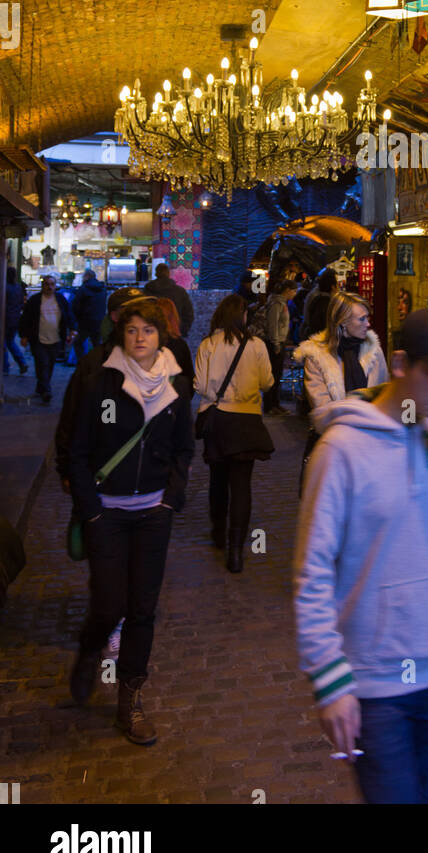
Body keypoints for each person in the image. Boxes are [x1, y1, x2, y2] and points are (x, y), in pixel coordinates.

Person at [293, 309, 428, 804]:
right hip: (375, 684)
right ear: (402, 364)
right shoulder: (342, 449)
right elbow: (312, 571)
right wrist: (330, 679)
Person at [67, 297, 193, 744]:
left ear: (163, 336)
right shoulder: (101, 380)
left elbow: (183, 447)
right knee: (109, 605)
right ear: (121, 333)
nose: (139, 338)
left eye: (149, 331)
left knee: (142, 610)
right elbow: (76, 450)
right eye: (132, 329)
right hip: (109, 513)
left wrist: (170, 498)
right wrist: (92, 510)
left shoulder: (175, 384)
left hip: (153, 515)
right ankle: (89, 650)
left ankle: (130, 702)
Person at [194, 294, 275, 572]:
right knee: (242, 486)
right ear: (241, 317)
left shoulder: (208, 345)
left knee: (218, 480)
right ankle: (236, 552)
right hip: (247, 420)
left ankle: (218, 532)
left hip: (218, 422)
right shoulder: (257, 346)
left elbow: (201, 387)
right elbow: (267, 382)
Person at [294, 292, 388, 490]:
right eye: (362, 319)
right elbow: (323, 410)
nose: (368, 324)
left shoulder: (374, 350)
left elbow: (385, 396)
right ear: (342, 322)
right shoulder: (317, 356)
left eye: (367, 318)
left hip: (371, 449)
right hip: (335, 451)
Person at [55, 286, 143, 491]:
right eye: (132, 311)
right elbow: (72, 420)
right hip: (105, 484)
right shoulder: (95, 365)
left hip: (151, 493)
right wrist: (67, 470)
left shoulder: (163, 363)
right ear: (115, 317)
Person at [18, 275, 77, 403]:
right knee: (42, 363)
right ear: (43, 286)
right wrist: (24, 336)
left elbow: (68, 314)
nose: (49, 287)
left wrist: (72, 329)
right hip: (38, 338)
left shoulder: (60, 300)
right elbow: (25, 319)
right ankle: (46, 391)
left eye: (52, 284)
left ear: (55, 286)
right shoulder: (34, 301)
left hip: (55, 338)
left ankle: (41, 386)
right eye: (47, 284)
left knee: (49, 365)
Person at [252, 279, 298, 412]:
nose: (295, 294)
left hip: (278, 342)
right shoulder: (277, 303)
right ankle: (270, 405)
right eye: (294, 291)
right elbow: (273, 325)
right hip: (273, 344)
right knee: (273, 375)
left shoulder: (281, 302)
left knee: (277, 375)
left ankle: (275, 404)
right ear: (287, 290)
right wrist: (276, 343)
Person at [155, 297, 195, 398]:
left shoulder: (148, 343)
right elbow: (189, 379)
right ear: (174, 317)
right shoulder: (180, 345)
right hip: (174, 400)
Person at [143, 263, 194, 338]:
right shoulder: (180, 291)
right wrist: (181, 331)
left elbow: (143, 312)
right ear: (168, 273)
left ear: (156, 273)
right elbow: (188, 314)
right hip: (174, 333)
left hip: (152, 334)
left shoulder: (147, 290)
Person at [71, 269, 107, 358]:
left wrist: (77, 319)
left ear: (87, 277)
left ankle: (83, 362)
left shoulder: (83, 289)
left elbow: (76, 306)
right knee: (97, 344)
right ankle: (98, 364)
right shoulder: (102, 289)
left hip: (85, 322)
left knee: (78, 343)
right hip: (99, 321)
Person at [3, 266, 28, 376]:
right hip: (15, 318)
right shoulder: (18, 288)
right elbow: (21, 304)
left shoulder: (5, 288)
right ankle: (21, 362)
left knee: (4, 344)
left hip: (5, 319)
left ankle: (5, 368)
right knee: (10, 342)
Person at [303, 268, 339, 339]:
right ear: (332, 286)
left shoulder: (317, 293)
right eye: (337, 283)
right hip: (318, 338)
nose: (338, 287)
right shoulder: (323, 301)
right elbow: (322, 326)